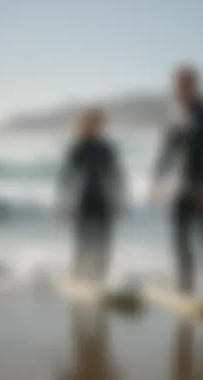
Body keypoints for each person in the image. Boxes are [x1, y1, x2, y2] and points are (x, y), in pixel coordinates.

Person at [151, 65, 203, 294]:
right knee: (180, 241)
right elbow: (166, 150)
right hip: (180, 187)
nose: (180, 88)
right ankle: (186, 289)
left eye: (185, 84)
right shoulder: (174, 113)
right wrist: (157, 180)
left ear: (195, 85)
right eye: (177, 84)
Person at [56, 106, 125, 283]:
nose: (93, 125)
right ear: (82, 123)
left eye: (97, 122)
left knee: (103, 245)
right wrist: (63, 204)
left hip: (104, 201)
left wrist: (120, 200)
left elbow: (117, 176)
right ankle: (78, 277)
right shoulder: (77, 148)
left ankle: (100, 280)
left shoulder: (106, 149)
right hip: (83, 201)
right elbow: (66, 178)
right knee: (83, 244)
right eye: (90, 122)